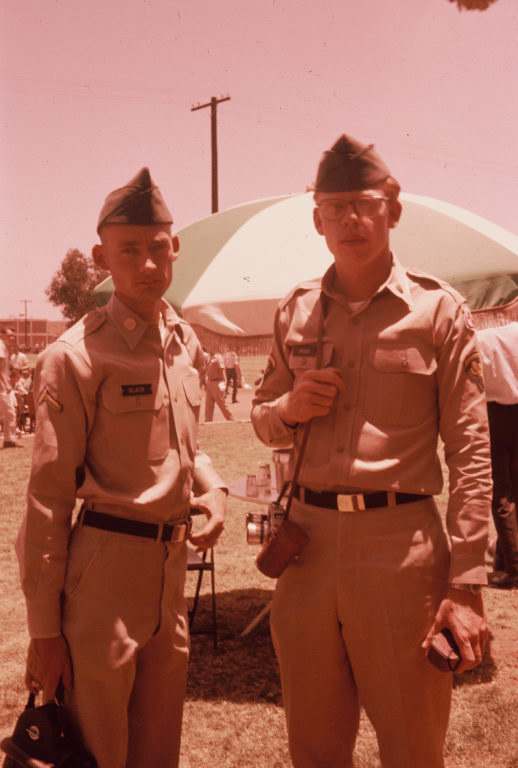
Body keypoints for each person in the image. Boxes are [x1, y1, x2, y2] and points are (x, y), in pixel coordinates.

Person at [251, 134, 491, 768]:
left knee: (412, 747)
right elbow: (261, 419)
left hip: (401, 552)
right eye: (335, 208)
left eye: (364, 204)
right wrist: (288, 408)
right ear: (317, 220)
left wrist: (466, 583)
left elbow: (470, 453)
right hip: (307, 550)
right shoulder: (295, 312)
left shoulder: (439, 313)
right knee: (314, 748)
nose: (350, 220)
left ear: (393, 209)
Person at [15, 167, 227, 768]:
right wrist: (45, 631)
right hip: (104, 572)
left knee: (158, 752)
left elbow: (184, 449)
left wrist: (212, 490)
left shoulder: (182, 341)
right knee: (98, 750)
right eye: (129, 250)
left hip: (170, 573)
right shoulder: (75, 357)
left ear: (175, 248)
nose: (148, 263)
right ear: (100, 255)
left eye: (158, 247)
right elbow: (47, 501)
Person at [477, 321, 518, 588]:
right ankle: (504, 559)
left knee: (501, 493)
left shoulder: (480, 339)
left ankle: (514, 567)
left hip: (497, 413)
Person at [0, 327, 19, 448]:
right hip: (2, 385)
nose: (12, 337)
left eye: (13, 335)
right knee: (9, 412)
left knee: (10, 412)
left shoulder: (5, 348)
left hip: (4, 384)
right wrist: (5, 384)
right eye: (10, 335)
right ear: (2, 335)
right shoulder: (0, 346)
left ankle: (9, 439)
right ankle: (9, 440)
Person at [204, 352, 233, 422]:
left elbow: (222, 370)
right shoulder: (208, 359)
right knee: (208, 404)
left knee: (221, 403)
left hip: (217, 382)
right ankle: (208, 420)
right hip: (210, 383)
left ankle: (231, 419)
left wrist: (224, 384)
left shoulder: (217, 357)